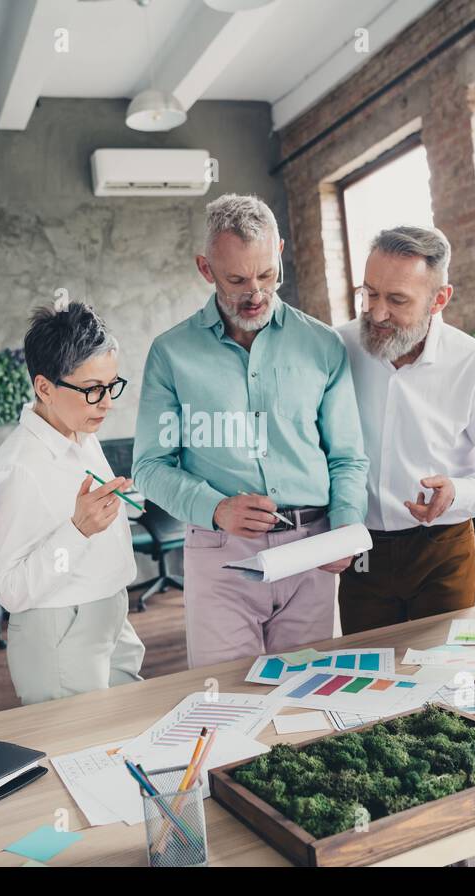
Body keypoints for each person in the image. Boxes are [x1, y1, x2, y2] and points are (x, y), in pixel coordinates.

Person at [133, 193, 368, 667]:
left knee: (308, 698)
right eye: (237, 279)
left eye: (266, 274)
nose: (256, 293)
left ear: (279, 250)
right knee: (225, 701)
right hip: (220, 554)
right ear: (206, 269)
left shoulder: (322, 345)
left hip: (312, 550)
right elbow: (149, 467)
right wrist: (214, 508)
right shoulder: (170, 353)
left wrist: (345, 524)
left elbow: (347, 456)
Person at [338, 226, 475, 632]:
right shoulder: (337, 349)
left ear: (439, 299)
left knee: (445, 678)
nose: (376, 312)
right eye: (369, 293)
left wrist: (460, 492)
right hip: (360, 549)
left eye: (397, 300)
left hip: (442, 547)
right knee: (364, 678)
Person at [0, 302, 144, 705]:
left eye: (112, 386)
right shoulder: (18, 467)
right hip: (60, 633)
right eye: (93, 390)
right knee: (76, 757)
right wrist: (77, 532)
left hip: (109, 615)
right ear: (44, 388)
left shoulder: (81, 432)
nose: (107, 402)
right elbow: (10, 590)